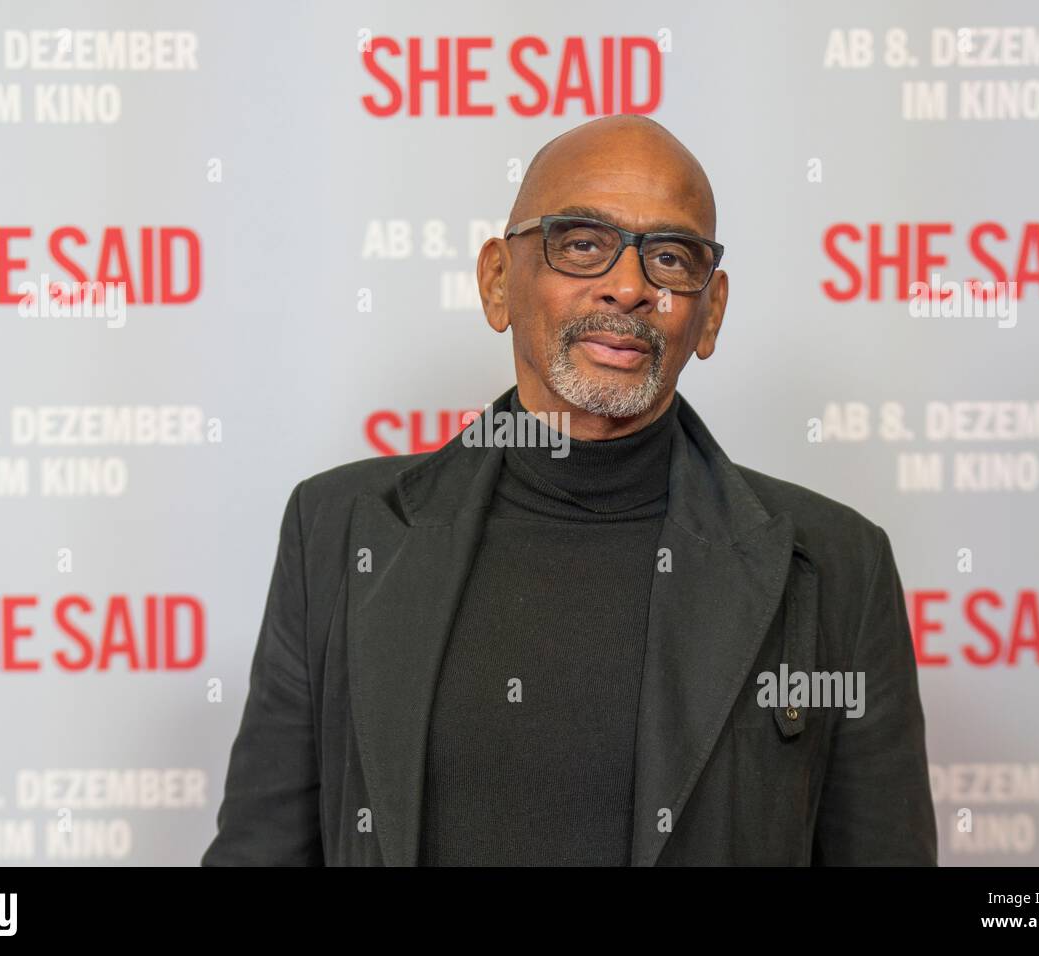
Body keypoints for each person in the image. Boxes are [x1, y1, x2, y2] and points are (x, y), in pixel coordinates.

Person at [202, 115, 937, 866]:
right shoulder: (337, 534)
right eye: (582, 243)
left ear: (708, 313)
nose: (628, 287)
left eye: (670, 257)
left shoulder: (838, 567)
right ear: (498, 282)